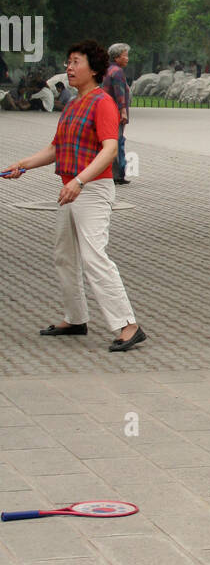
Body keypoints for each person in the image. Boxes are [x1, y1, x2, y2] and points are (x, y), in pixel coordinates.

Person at [2, 40, 146, 351]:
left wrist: (79, 181)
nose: (69, 67)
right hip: (71, 190)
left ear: (93, 69)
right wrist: (22, 165)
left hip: (91, 190)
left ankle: (128, 325)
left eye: (76, 62)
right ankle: (76, 318)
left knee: (94, 257)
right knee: (64, 256)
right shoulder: (72, 104)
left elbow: (109, 150)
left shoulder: (102, 102)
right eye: (68, 62)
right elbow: (56, 149)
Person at [103, 43, 131, 184]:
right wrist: (123, 112)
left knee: (108, 141)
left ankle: (108, 172)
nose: (127, 58)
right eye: (125, 55)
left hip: (105, 111)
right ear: (117, 57)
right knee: (117, 141)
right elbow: (119, 93)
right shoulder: (117, 71)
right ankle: (118, 174)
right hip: (115, 113)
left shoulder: (106, 70)